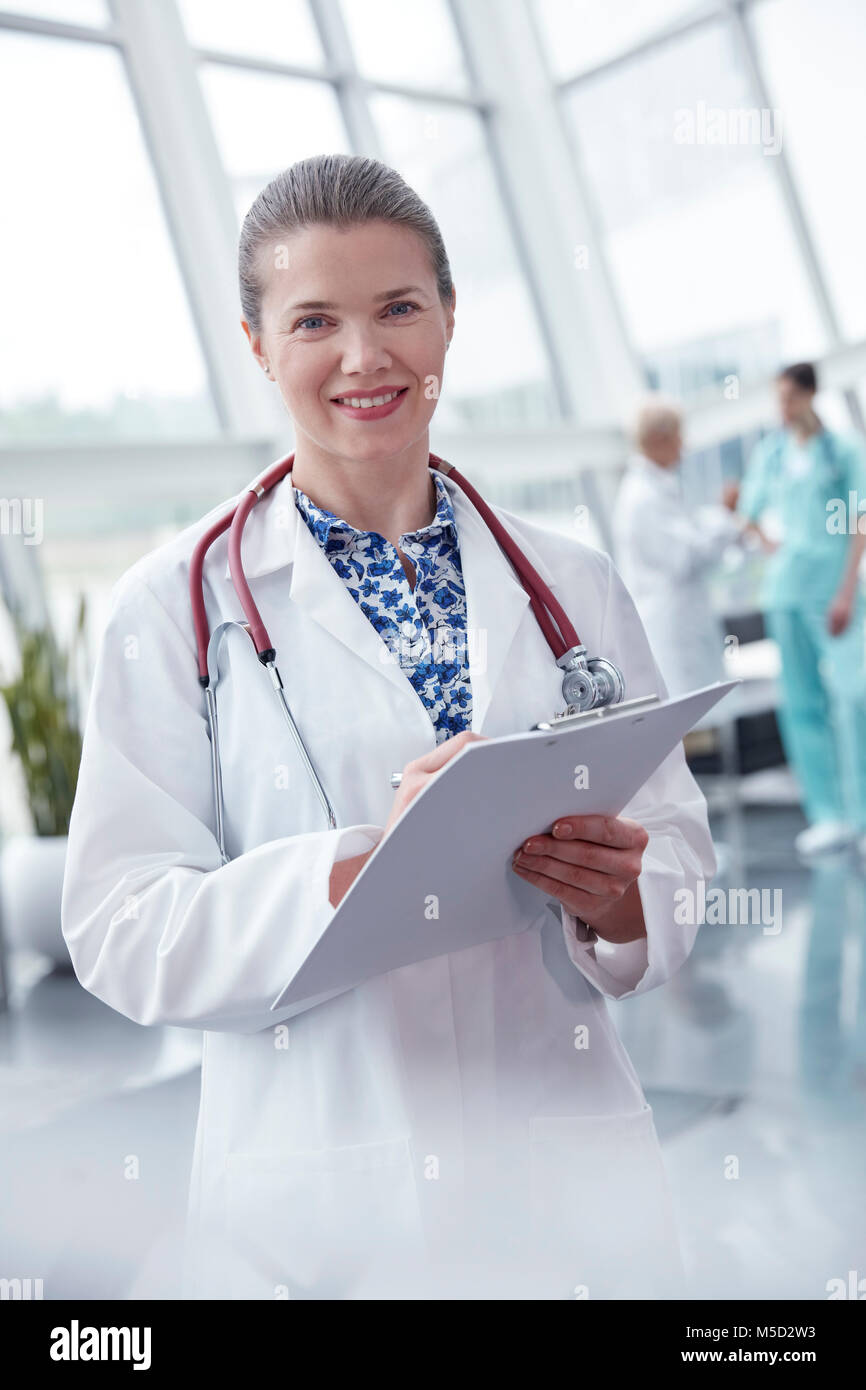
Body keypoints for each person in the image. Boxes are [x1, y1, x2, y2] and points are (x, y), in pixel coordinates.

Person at [60, 153, 716, 1301]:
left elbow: (676, 846)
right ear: (259, 348)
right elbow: (119, 928)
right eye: (314, 319)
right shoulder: (171, 609)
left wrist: (620, 896)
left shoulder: (568, 580)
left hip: (567, 1178)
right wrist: (354, 864)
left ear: (449, 322)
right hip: (324, 1208)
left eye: (398, 308)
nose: (365, 357)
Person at [738, 363, 866, 858]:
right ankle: (828, 815)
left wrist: (844, 591)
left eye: (790, 397)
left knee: (852, 697)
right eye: (779, 399)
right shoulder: (771, 454)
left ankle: (860, 813)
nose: (783, 408)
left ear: (811, 395)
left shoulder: (844, 450)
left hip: (833, 593)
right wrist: (776, 549)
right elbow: (747, 512)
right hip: (785, 592)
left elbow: (860, 521)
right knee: (801, 702)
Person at [613, 396, 744, 705]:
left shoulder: (656, 490)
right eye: (677, 436)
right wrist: (726, 519)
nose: (682, 444)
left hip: (679, 620)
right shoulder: (643, 497)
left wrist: (722, 519)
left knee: (699, 710)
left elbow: (690, 532)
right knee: (688, 713)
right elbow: (685, 556)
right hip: (671, 626)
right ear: (660, 439)